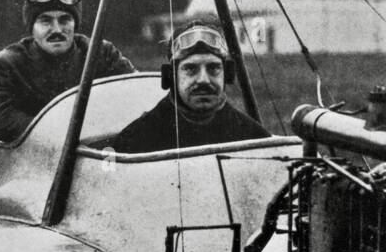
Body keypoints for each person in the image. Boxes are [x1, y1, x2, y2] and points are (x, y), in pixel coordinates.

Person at [0, 0, 136, 143]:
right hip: (38, 154)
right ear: (32, 27)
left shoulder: (101, 52)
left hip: (98, 151)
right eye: (45, 21)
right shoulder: (8, 62)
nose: (57, 30)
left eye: (65, 20)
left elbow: (138, 94)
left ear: (75, 24)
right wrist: (59, 131)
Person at [101, 22, 269, 153]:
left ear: (228, 74)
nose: (203, 80)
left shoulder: (252, 136)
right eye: (190, 69)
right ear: (171, 76)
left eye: (213, 68)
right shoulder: (137, 138)